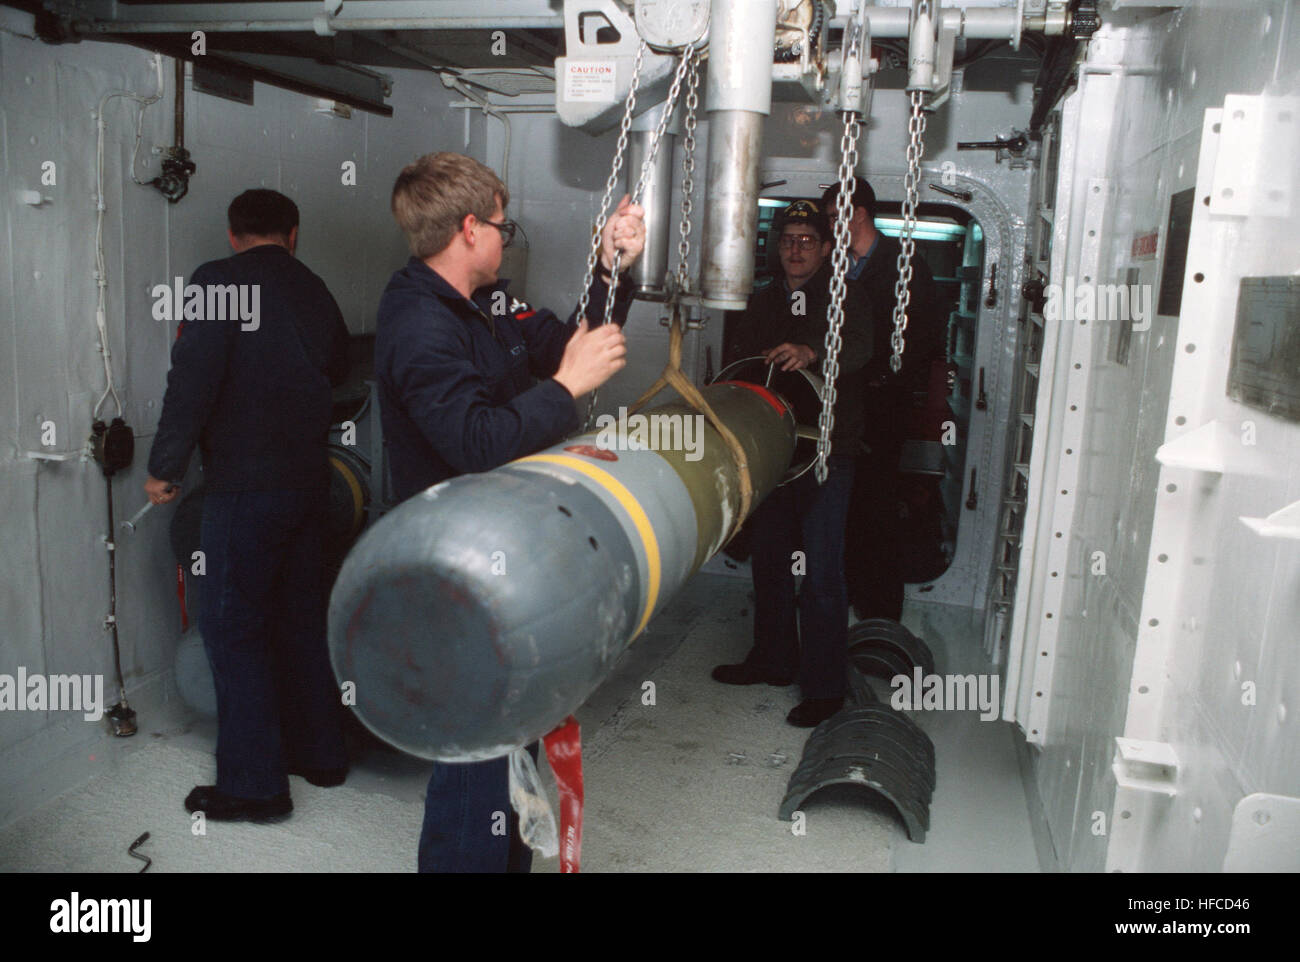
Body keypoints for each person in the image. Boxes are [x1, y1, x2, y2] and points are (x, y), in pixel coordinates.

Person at [376, 151, 645, 872]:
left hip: (504, 554)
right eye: (503, 226)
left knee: (511, 749)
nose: (507, 238)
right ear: (469, 229)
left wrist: (613, 266)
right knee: (475, 758)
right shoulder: (417, 326)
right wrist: (563, 390)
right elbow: (474, 442)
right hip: (455, 572)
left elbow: (574, 343)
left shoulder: (489, 305)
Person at [146, 189, 351, 822]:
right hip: (313, 482)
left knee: (234, 631)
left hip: (243, 488)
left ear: (233, 234)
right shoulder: (315, 288)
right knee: (300, 618)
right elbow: (341, 373)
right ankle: (320, 755)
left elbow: (192, 379)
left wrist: (164, 466)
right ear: (294, 233)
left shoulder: (216, 281)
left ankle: (255, 787)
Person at [711, 200, 873, 728]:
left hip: (826, 452)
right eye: (787, 240)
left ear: (828, 248)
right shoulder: (761, 302)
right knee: (771, 559)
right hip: (775, 451)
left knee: (822, 572)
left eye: (807, 240)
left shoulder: (849, 296)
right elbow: (741, 363)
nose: (796, 249)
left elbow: (862, 348)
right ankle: (772, 660)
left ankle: (826, 689)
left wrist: (813, 353)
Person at [821, 181, 946, 620]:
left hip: (881, 408)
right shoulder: (835, 266)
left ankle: (880, 612)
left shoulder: (905, 265)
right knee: (839, 506)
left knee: (876, 508)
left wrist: (879, 381)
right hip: (836, 410)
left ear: (858, 215)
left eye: (836, 217)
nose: (830, 225)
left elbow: (925, 338)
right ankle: (842, 599)